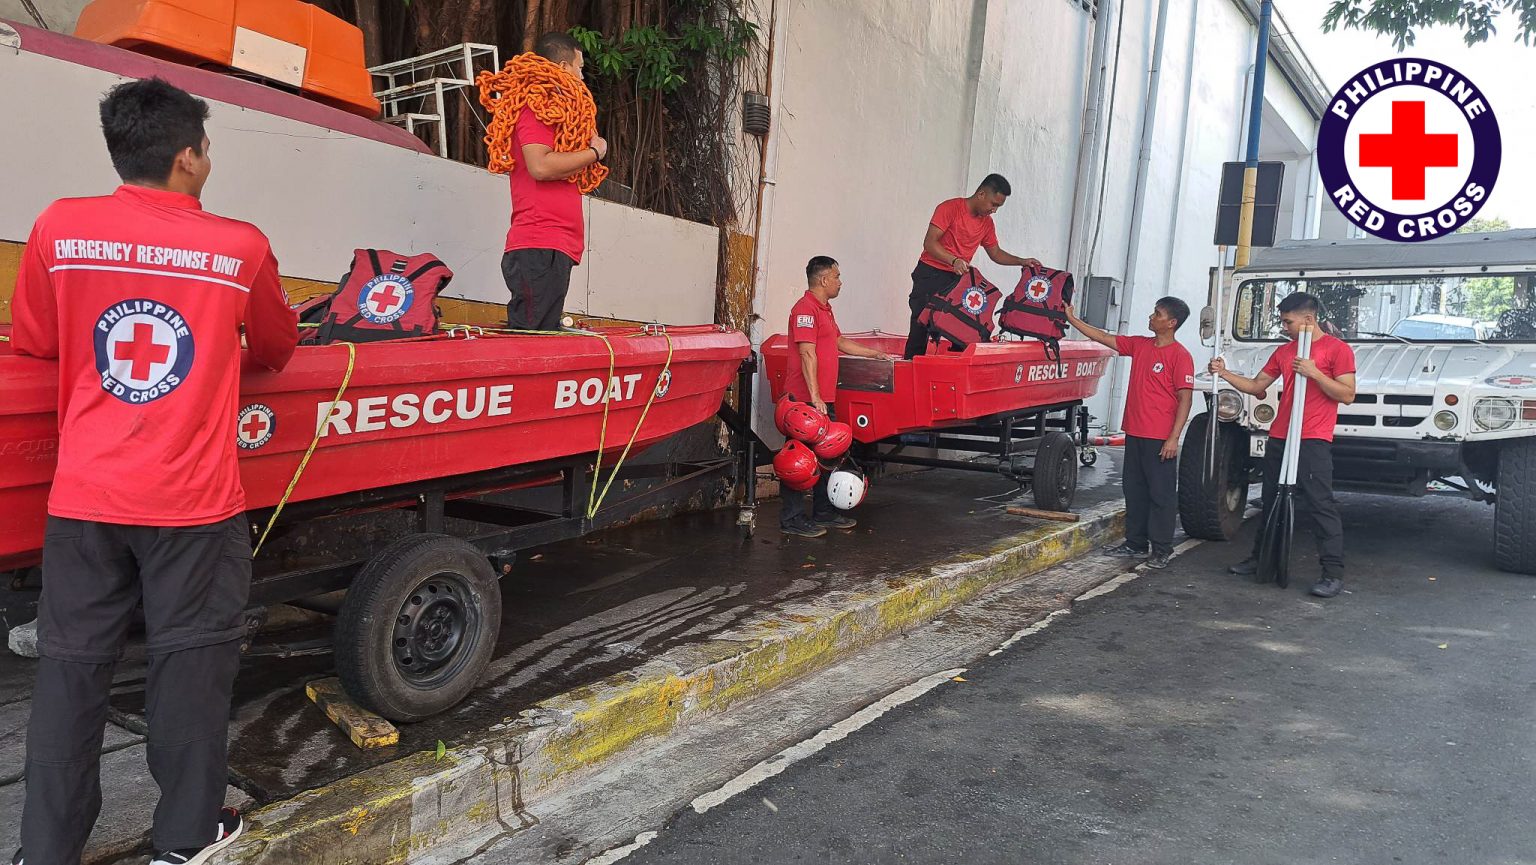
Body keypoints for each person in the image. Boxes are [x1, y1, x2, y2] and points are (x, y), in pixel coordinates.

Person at [9, 78, 299, 865]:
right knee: (191, 667)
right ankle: (183, 838)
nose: (210, 157)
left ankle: (44, 850)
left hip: (84, 499)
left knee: (71, 672)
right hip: (193, 507)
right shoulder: (239, 246)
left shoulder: (58, 228)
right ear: (187, 156)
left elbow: (36, 340)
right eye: (207, 145)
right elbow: (275, 347)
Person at [1211, 293, 1357, 599]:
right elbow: (1256, 386)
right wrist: (1224, 373)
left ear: (1308, 319)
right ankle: (1259, 558)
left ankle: (1332, 573)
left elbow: (1346, 395)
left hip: (1313, 438)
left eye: (1287, 321)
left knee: (1321, 504)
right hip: (1280, 435)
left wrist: (1315, 373)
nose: (1284, 326)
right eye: (1282, 321)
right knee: (1271, 499)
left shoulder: (1337, 350)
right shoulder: (1284, 352)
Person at [1065, 297, 1196, 569]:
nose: (1151, 316)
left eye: (1157, 313)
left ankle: (1161, 548)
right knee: (1134, 490)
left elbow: (1185, 399)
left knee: (1160, 494)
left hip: (1160, 437)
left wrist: (1173, 438)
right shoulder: (1140, 345)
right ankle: (1135, 543)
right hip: (1134, 432)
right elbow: (1103, 337)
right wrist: (1072, 319)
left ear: (1171, 323)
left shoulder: (1180, 356)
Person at [503, 31, 609, 331]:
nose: (582, 76)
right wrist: (593, 152)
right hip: (539, 245)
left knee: (540, 337)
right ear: (563, 68)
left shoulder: (556, 114)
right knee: (531, 343)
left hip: (551, 249)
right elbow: (540, 166)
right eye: (580, 68)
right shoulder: (536, 108)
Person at [781, 256, 892, 538]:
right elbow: (807, 352)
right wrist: (816, 396)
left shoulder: (825, 309)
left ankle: (823, 513)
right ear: (824, 279)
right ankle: (792, 519)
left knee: (827, 457)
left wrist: (873, 354)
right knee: (799, 461)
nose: (840, 282)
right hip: (805, 403)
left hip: (821, 399)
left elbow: (839, 342)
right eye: (837, 276)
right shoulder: (805, 309)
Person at [903, 174, 1042, 359]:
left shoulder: (987, 223)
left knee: (964, 327)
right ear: (981, 194)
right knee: (921, 324)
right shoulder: (950, 208)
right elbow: (929, 243)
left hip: (959, 280)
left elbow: (996, 253)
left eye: (998, 207)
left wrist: (1022, 261)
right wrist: (953, 260)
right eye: (993, 204)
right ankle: (911, 369)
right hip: (931, 273)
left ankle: (955, 375)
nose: (994, 210)